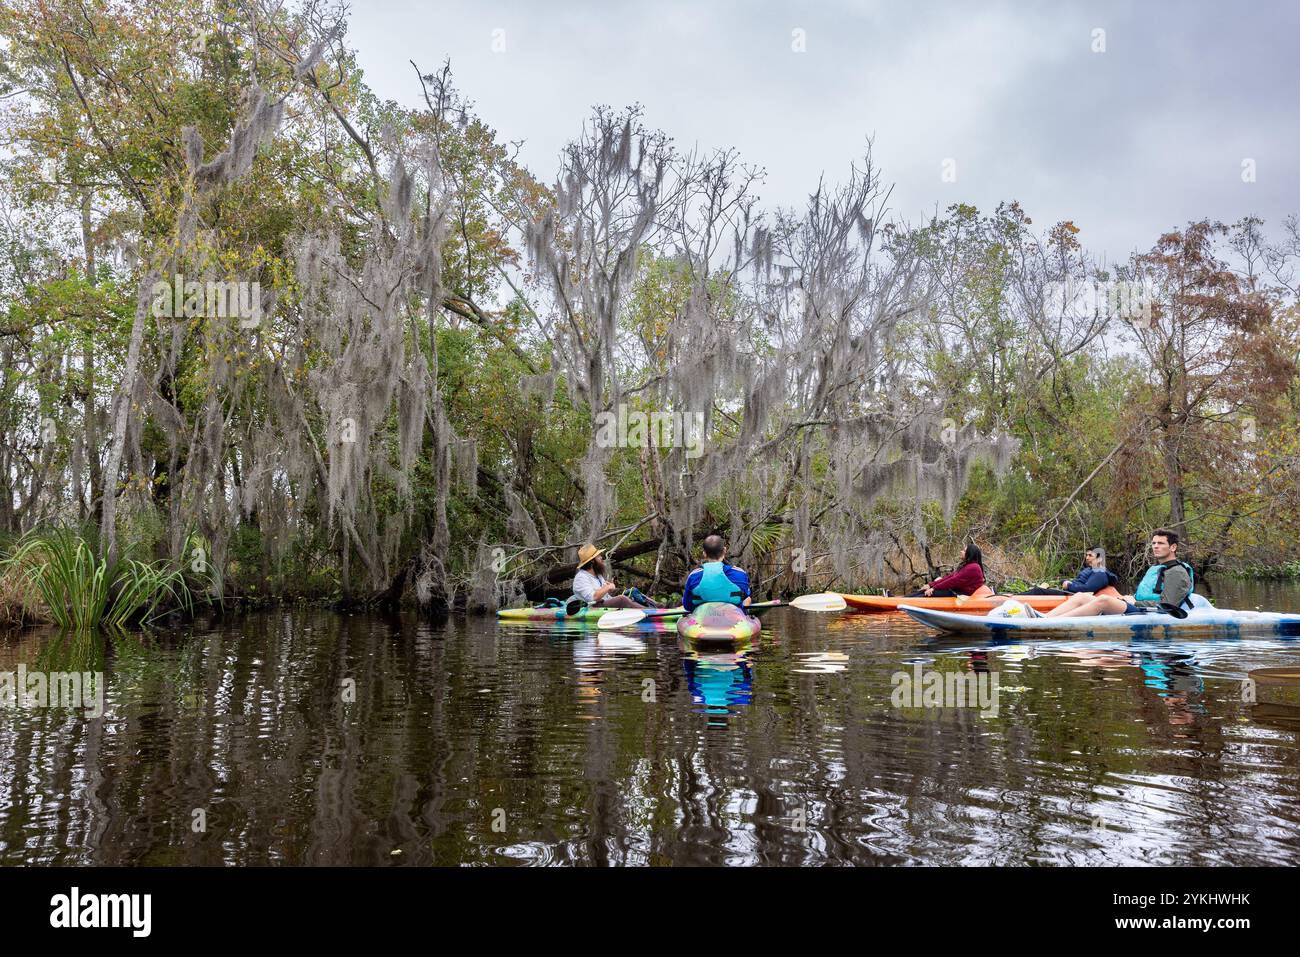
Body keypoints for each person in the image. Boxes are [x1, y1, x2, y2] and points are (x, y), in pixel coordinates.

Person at [1044, 529, 1195, 618]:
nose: (1155, 546)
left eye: (1160, 543)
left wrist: (1135, 602)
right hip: (1139, 606)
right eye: (1154, 543)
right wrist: (1129, 598)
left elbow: (1168, 606)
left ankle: (1053, 623)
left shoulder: (1177, 572)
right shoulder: (1154, 569)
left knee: (1103, 600)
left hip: (1151, 612)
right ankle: (1045, 618)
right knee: (1081, 596)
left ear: (1173, 547)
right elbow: (1145, 593)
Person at [571, 543, 660, 609]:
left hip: (603, 604)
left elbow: (604, 596)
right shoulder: (581, 578)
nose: (601, 558)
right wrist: (607, 588)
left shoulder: (597, 575)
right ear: (592, 561)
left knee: (633, 592)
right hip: (592, 608)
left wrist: (609, 589)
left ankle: (660, 607)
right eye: (598, 557)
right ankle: (649, 613)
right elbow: (592, 598)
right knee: (621, 599)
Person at [682, 535, 752, 612]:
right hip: (733, 620)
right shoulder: (740, 574)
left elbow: (687, 606)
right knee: (748, 599)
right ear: (724, 550)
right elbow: (745, 597)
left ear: (704, 554)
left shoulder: (694, 576)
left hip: (702, 620)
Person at [1016, 546, 1115, 596]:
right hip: (1068, 592)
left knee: (1037, 591)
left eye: (1090, 556)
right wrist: (1063, 581)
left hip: (1070, 595)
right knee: (1040, 587)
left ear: (1099, 559)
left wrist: (1069, 585)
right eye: (1086, 555)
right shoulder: (1091, 570)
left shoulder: (1100, 574)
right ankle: (1015, 596)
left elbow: (1087, 589)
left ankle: (1013, 599)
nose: (1086, 558)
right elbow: (1081, 583)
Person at [908, 544, 990, 598]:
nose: (961, 552)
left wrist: (934, 588)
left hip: (961, 595)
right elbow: (951, 577)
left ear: (969, 554)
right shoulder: (967, 566)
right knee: (924, 591)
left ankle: (904, 602)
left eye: (964, 551)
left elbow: (953, 581)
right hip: (955, 592)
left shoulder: (973, 568)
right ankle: (903, 599)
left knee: (927, 594)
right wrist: (930, 585)